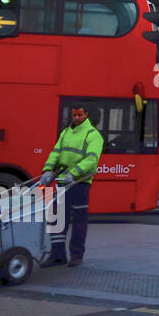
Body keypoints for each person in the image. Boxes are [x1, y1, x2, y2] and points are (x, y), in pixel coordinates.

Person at [40, 105, 103, 266]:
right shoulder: (66, 132)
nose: (76, 118)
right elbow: (55, 153)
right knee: (57, 219)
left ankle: (76, 255)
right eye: (74, 115)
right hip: (62, 181)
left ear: (86, 115)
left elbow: (91, 160)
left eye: (79, 115)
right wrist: (47, 170)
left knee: (78, 221)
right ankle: (58, 255)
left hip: (80, 183)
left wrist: (73, 173)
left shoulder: (93, 135)